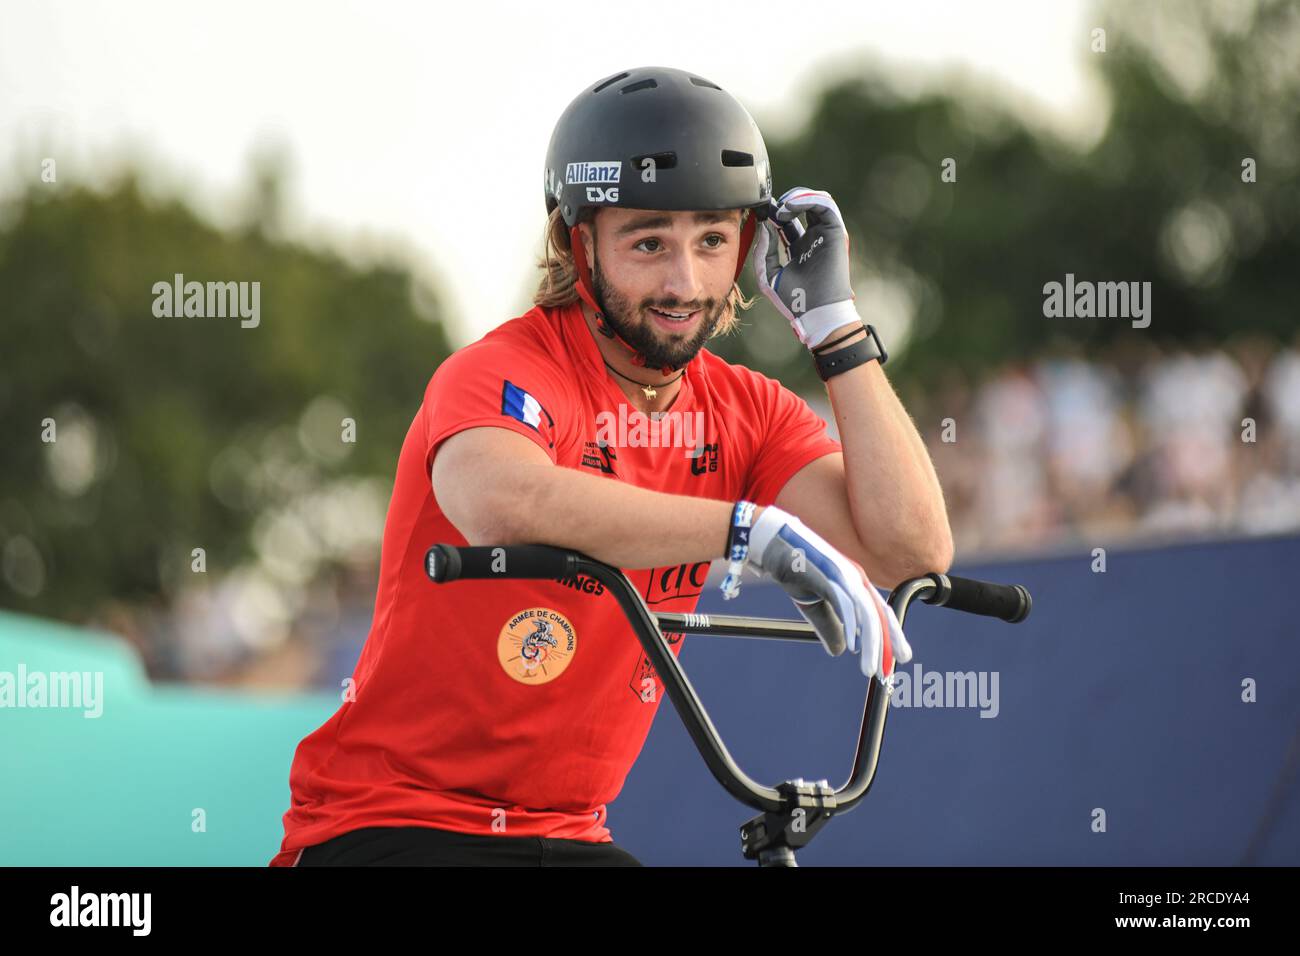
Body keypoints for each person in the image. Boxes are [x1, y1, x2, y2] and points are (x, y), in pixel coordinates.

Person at [270, 65, 952, 868]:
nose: (684, 281)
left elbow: (911, 550)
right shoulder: (504, 371)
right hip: (390, 824)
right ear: (576, 242)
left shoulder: (751, 410)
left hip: (566, 835)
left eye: (712, 239)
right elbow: (499, 500)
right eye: (649, 241)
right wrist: (745, 530)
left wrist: (837, 329)